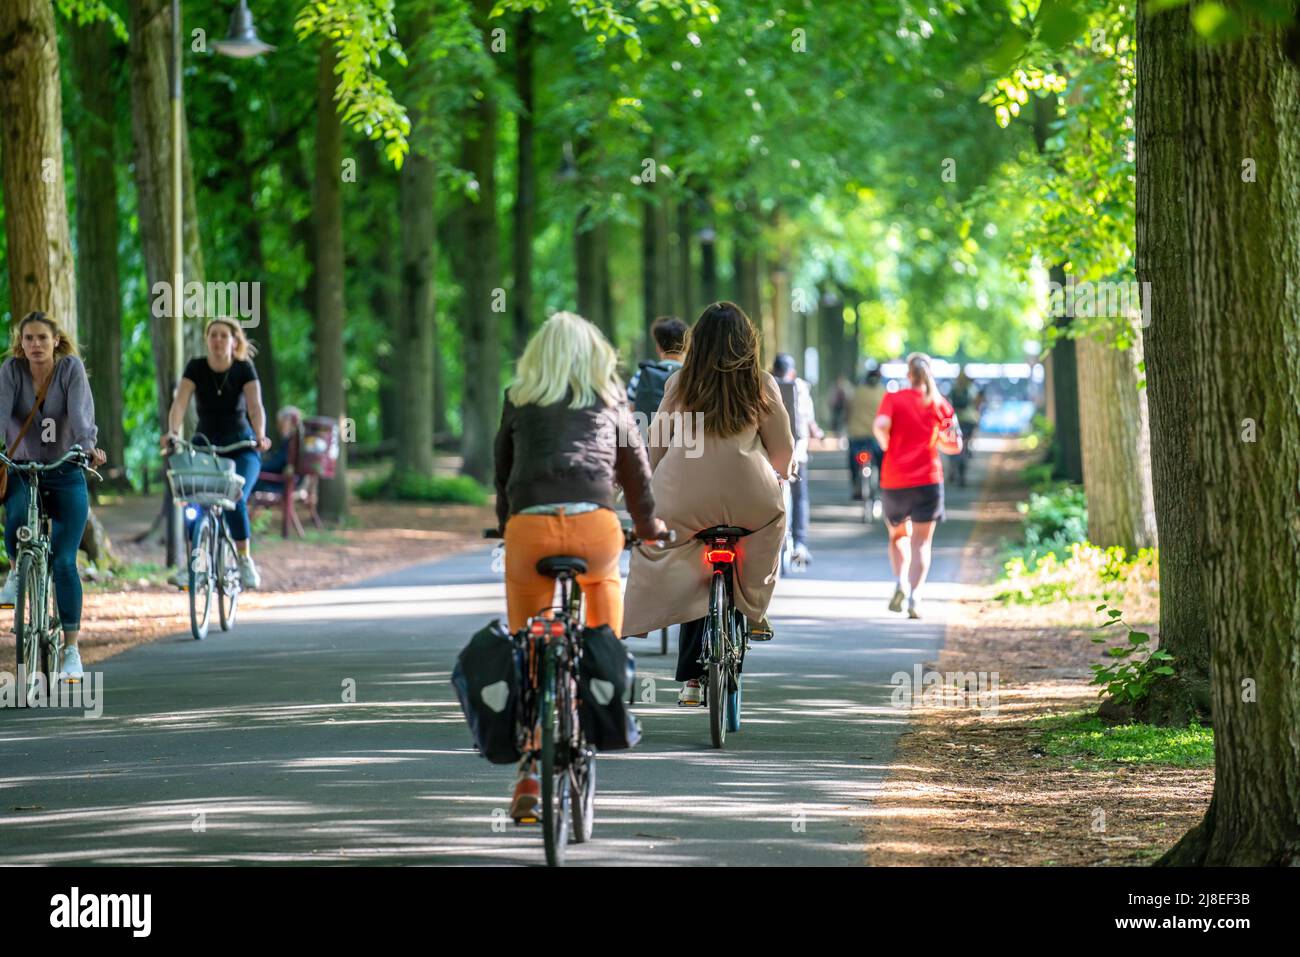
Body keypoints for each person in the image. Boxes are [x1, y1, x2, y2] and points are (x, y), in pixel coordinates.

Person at [493, 311, 666, 819]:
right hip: (594, 527)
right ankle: (598, 697)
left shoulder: (518, 396)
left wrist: (508, 523)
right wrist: (649, 526)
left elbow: (503, 471)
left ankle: (528, 770)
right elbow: (635, 473)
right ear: (596, 355)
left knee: (528, 641)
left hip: (529, 529)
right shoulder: (611, 398)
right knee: (602, 622)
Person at [622, 301, 794, 707]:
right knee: (771, 524)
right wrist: (782, 472)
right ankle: (752, 608)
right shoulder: (761, 384)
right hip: (748, 495)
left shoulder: (680, 383)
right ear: (746, 341)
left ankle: (691, 677)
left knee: (682, 558)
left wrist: (650, 488)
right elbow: (783, 450)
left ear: (695, 343)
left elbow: (658, 443)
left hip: (682, 495)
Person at [0, 311, 108, 682]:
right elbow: (0, 413)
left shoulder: (70, 369)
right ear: (21, 342)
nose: (35, 345)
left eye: (42, 338)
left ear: (55, 341)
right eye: (28, 338)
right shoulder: (11, 370)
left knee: (63, 562)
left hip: (65, 468)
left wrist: (87, 447)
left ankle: (71, 649)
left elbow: (80, 415)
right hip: (23, 467)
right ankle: (17, 570)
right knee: (15, 517)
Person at [162, 318, 271, 589]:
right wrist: (173, 433)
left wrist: (259, 435)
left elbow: (255, 407)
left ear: (234, 342)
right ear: (207, 339)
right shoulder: (196, 368)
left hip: (241, 447)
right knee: (193, 501)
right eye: (214, 335)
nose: (219, 340)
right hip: (205, 447)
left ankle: (244, 559)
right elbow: (179, 403)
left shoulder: (244, 368)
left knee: (235, 498)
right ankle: (196, 565)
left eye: (224, 336)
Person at [873, 352, 961, 620]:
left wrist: (887, 442)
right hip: (928, 480)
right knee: (921, 543)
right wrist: (934, 442)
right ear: (929, 373)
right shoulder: (939, 403)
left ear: (908, 374)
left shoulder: (893, 398)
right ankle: (914, 598)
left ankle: (900, 580)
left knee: (898, 536)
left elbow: (880, 425)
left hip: (895, 478)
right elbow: (955, 444)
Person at [771, 353, 822, 564]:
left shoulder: (766, 385)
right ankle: (800, 543)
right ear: (792, 371)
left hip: (770, 453)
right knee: (800, 496)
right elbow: (809, 420)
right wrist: (817, 433)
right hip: (796, 453)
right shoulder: (800, 387)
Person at [627, 315, 688, 418]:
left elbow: (629, 412)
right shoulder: (696, 377)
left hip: (647, 432)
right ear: (687, 345)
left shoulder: (641, 376)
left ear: (658, 347)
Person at [846, 365, 886, 499]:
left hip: (857, 435)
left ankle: (856, 485)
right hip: (877, 436)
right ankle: (883, 485)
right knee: (882, 460)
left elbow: (848, 410)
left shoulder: (856, 392)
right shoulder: (883, 393)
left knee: (853, 461)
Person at [253, 406, 304, 494]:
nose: (278, 427)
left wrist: (257, 467)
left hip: (281, 485)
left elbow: (277, 464)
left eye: (281, 423)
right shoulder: (296, 441)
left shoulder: (292, 443)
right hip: (285, 482)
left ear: (289, 422)